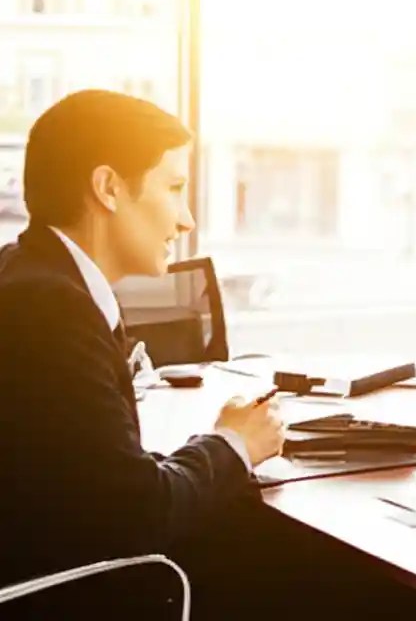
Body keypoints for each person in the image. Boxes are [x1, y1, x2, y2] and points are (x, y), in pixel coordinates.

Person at [0, 91, 284, 602]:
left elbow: (86, 475)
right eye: (174, 187)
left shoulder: (25, 273)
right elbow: (134, 515)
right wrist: (234, 444)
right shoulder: (50, 307)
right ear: (108, 188)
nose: (186, 220)